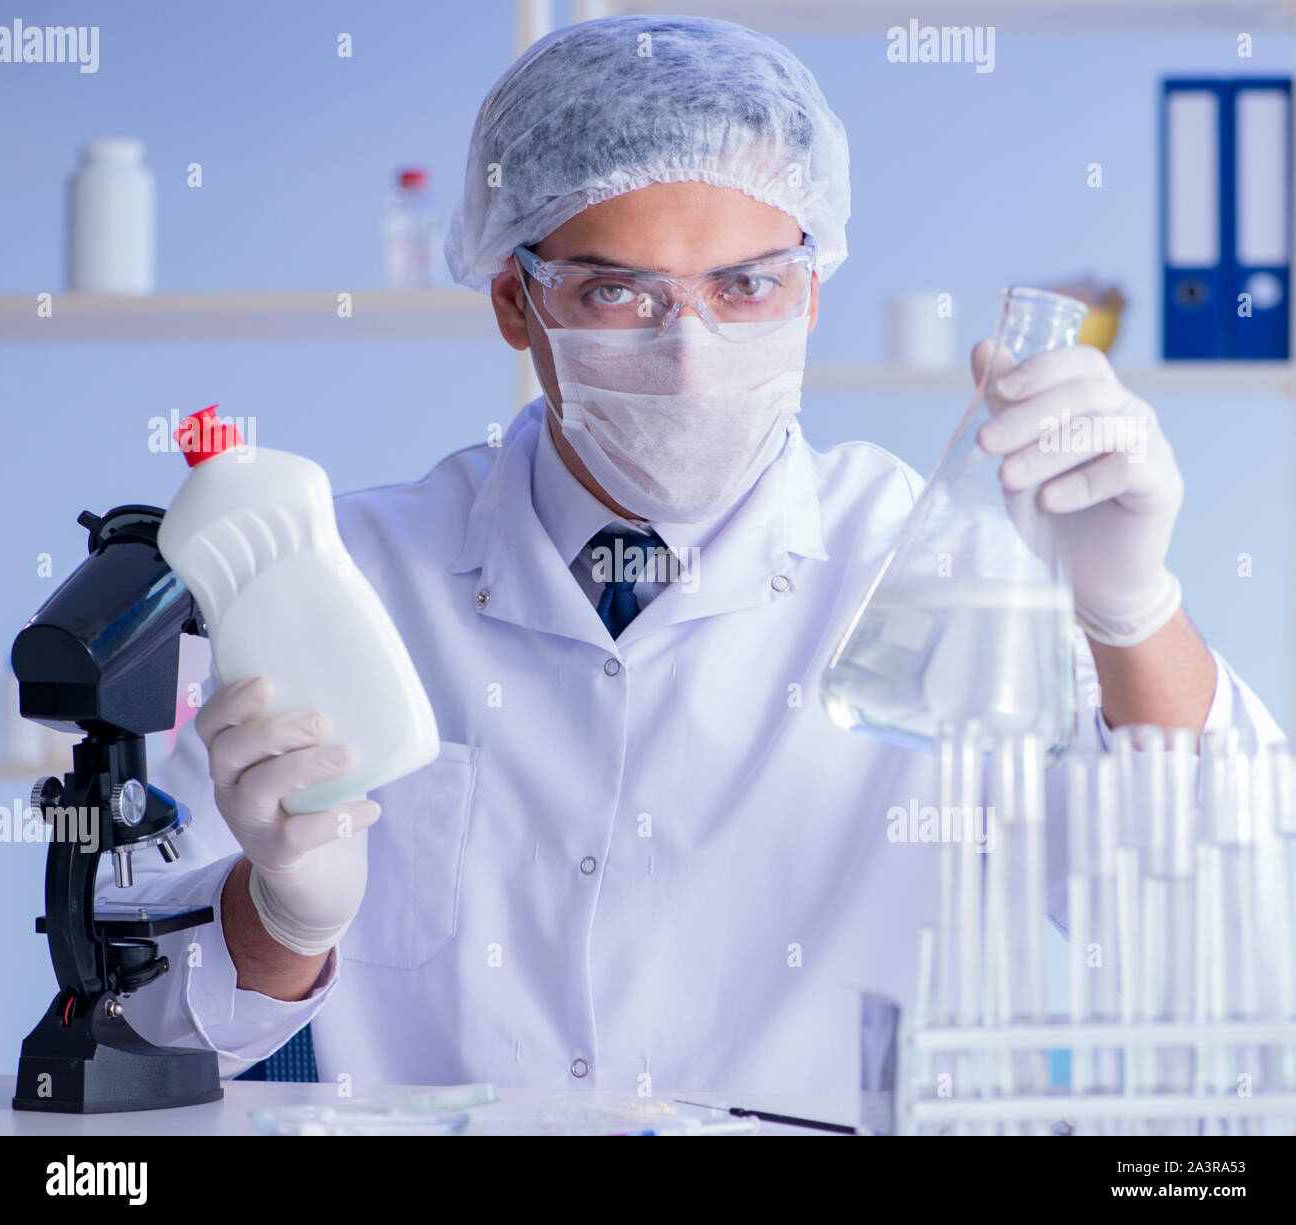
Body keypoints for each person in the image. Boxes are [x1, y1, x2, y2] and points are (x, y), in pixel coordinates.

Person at [101, 14, 1282, 1096]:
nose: (691, 351)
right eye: (618, 293)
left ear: (810, 291)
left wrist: (1132, 610)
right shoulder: (344, 572)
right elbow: (130, 1025)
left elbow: (1236, 938)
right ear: (514, 301)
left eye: (746, 285)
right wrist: (282, 922)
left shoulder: (936, 572)